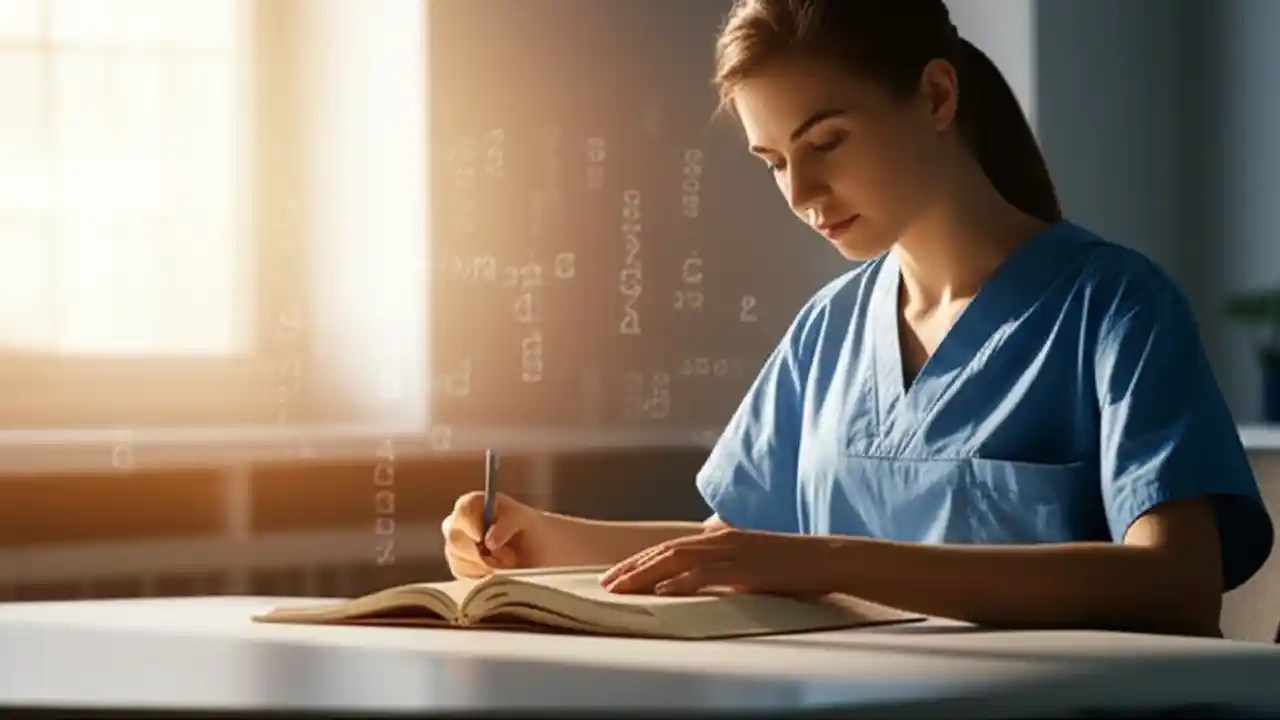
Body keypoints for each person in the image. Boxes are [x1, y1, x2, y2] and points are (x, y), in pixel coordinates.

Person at [441, 0, 1274, 637]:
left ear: (938, 96)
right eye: (774, 163)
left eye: (827, 142)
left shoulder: (1114, 308)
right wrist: (542, 539)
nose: (800, 195)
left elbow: (1175, 585)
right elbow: (736, 548)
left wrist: (824, 560)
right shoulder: (828, 330)